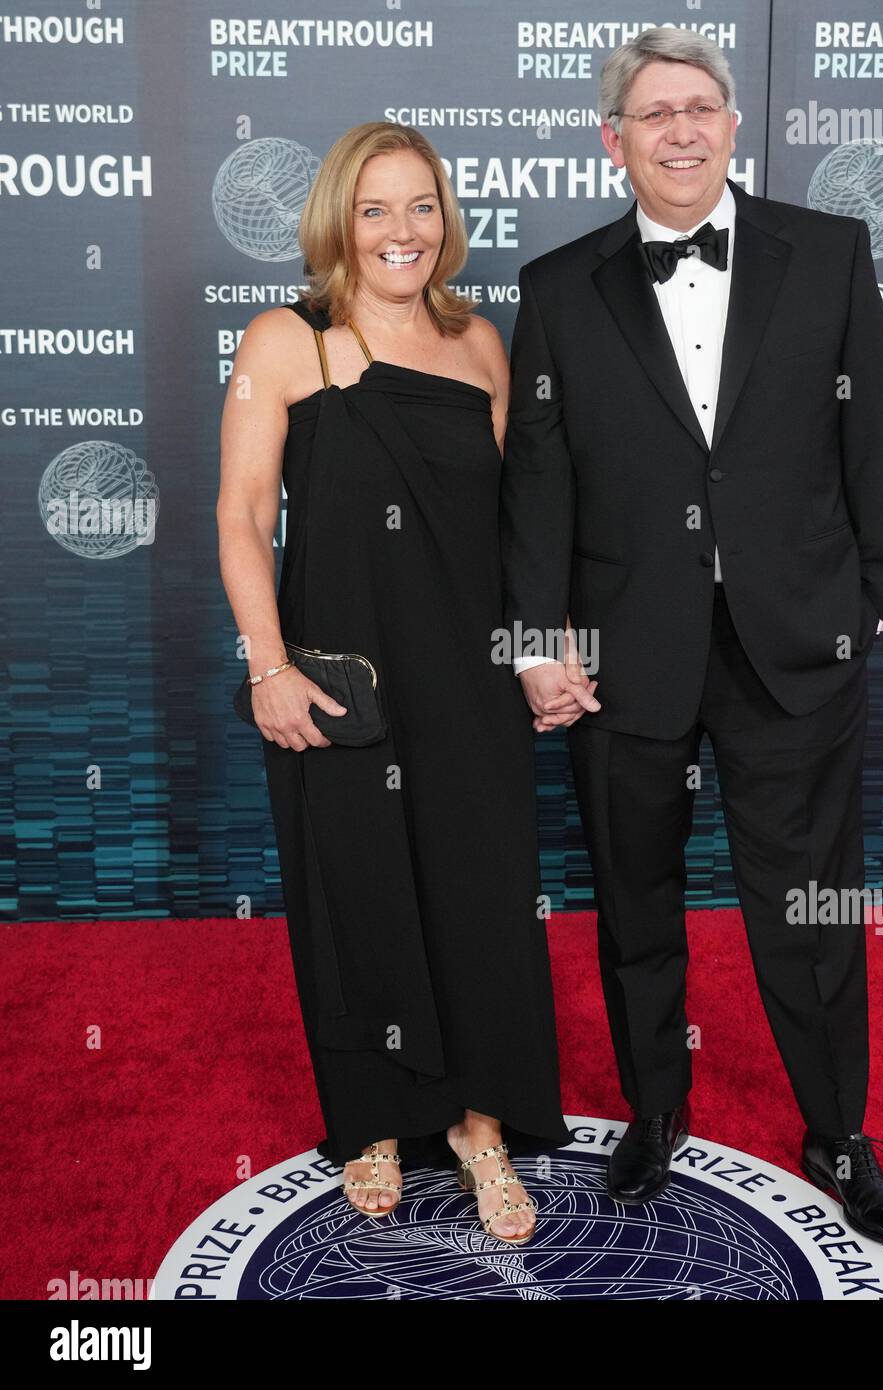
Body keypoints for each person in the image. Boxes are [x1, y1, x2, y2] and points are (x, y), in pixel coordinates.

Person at [501, 27, 883, 1246]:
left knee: (814, 908)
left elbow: (875, 435)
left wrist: (869, 597)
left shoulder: (828, 254)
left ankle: (837, 1130)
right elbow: (537, 486)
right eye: (652, 112)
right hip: (626, 653)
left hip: (796, 643)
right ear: (611, 139)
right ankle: (653, 1112)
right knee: (634, 902)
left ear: (733, 125)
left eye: (699, 107)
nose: (679, 129)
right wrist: (536, 641)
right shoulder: (556, 288)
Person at [217, 121, 571, 1246]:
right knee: (357, 891)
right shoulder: (287, 340)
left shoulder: (479, 346)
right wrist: (267, 666)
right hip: (343, 679)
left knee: (477, 894)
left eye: (420, 206)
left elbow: (519, 526)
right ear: (337, 221)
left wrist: (537, 652)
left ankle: (476, 1123)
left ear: (445, 221)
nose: (401, 230)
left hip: (467, 680)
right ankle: (373, 1116)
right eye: (375, 209)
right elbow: (239, 515)